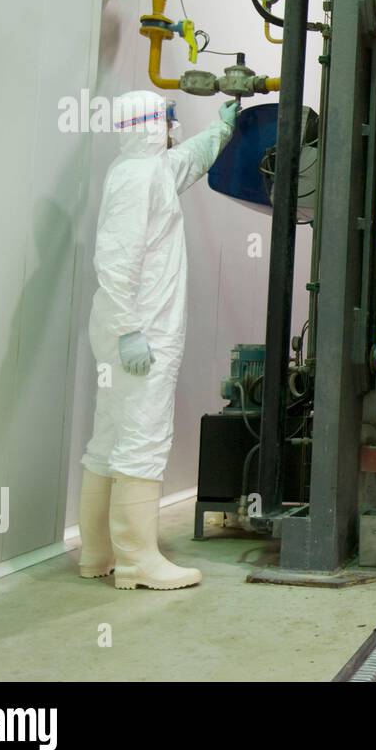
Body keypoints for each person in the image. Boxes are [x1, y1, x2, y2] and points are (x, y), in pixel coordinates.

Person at [77, 90, 239, 589]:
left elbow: (184, 162)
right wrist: (130, 330)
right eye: (168, 118)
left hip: (128, 330)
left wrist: (220, 131)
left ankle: (97, 552)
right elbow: (116, 260)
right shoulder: (137, 178)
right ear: (151, 123)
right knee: (143, 440)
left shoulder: (142, 170)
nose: (173, 126)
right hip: (139, 332)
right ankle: (138, 562)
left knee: (109, 438)